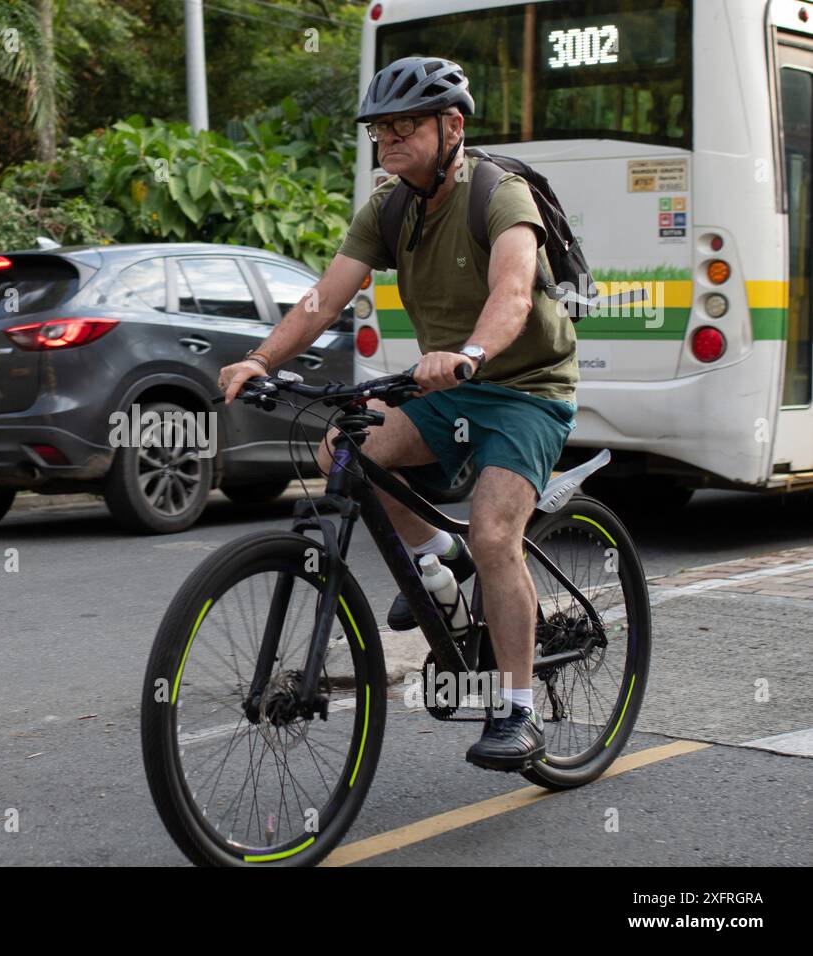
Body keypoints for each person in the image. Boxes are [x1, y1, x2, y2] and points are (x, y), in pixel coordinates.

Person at [216, 56, 579, 772]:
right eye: (380, 129)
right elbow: (324, 298)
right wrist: (263, 359)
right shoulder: (389, 206)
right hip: (447, 385)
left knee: (494, 532)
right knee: (344, 450)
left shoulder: (500, 196)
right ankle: (437, 575)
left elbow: (511, 294)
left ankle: (517, 710)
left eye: (403, 126)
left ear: (452, 126)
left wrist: (470, 351)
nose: (387, 140)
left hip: (527, 387)